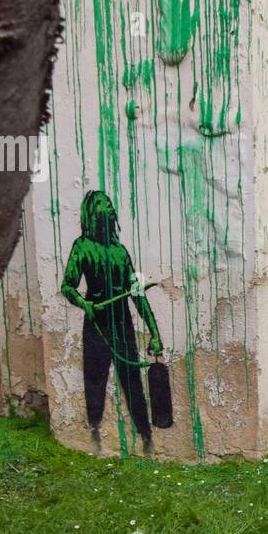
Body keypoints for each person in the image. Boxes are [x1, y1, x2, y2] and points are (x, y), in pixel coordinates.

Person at [61, 190, 162, 452]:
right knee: (95, 378)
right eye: (101, 207)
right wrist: (85, 304)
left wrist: (155, 332)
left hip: (122, 323)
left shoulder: (120, 251)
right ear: (92, 215)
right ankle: (94, 431)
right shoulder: (82, 246)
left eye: (109, 207)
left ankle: (145, 434)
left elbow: (137, 296)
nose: (107, 210)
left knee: (132, 380)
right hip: (96, 323)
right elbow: (68, 286)